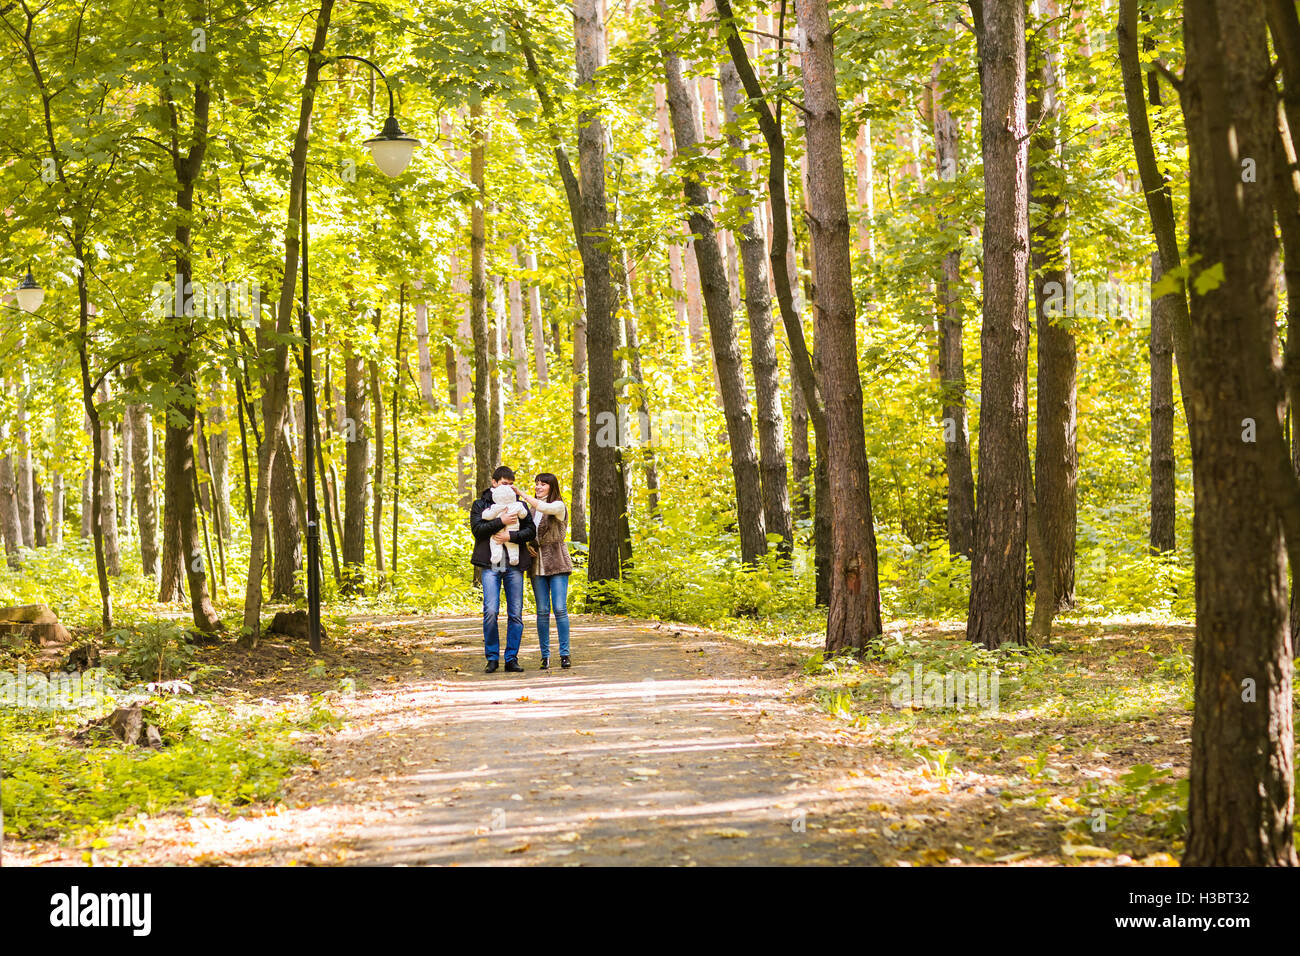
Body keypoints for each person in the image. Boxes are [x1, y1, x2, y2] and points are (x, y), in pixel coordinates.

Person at [470, 466, 536, 673]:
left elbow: (530, 531)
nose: (507, 487)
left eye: (510, 484)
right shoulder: (480, 504)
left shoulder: (520, 505)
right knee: (490, 611)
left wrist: (511, 536)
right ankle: (492, 657)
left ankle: (511, 658)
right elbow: (477, 530)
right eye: (504, 483)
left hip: (514, 565)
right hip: (490, 564)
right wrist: (501, 522)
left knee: (515, 613)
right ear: (494, 482)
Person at [520, 472, 573, 669]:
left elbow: (544, 507)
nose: (538, 487)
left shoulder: (558, 505)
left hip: (557, 560)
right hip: (536, 565)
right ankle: (545, 656)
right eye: (536, 484)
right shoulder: (530, 511)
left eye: (543, 484)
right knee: (542, 611)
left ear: (552, 487)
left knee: (559, 608)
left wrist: (522, 494)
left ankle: (565, 654)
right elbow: (526, 532)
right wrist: (527, 545)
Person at [483, 483, 528, 567]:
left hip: (498, 532)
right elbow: (523, 515)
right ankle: (514, 557)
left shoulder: (496, 507)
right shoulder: (518, 505)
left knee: (495, 542)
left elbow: (487, 516)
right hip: (512, 530)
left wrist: (485, 512)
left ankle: (496, 556)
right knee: (513, 545)